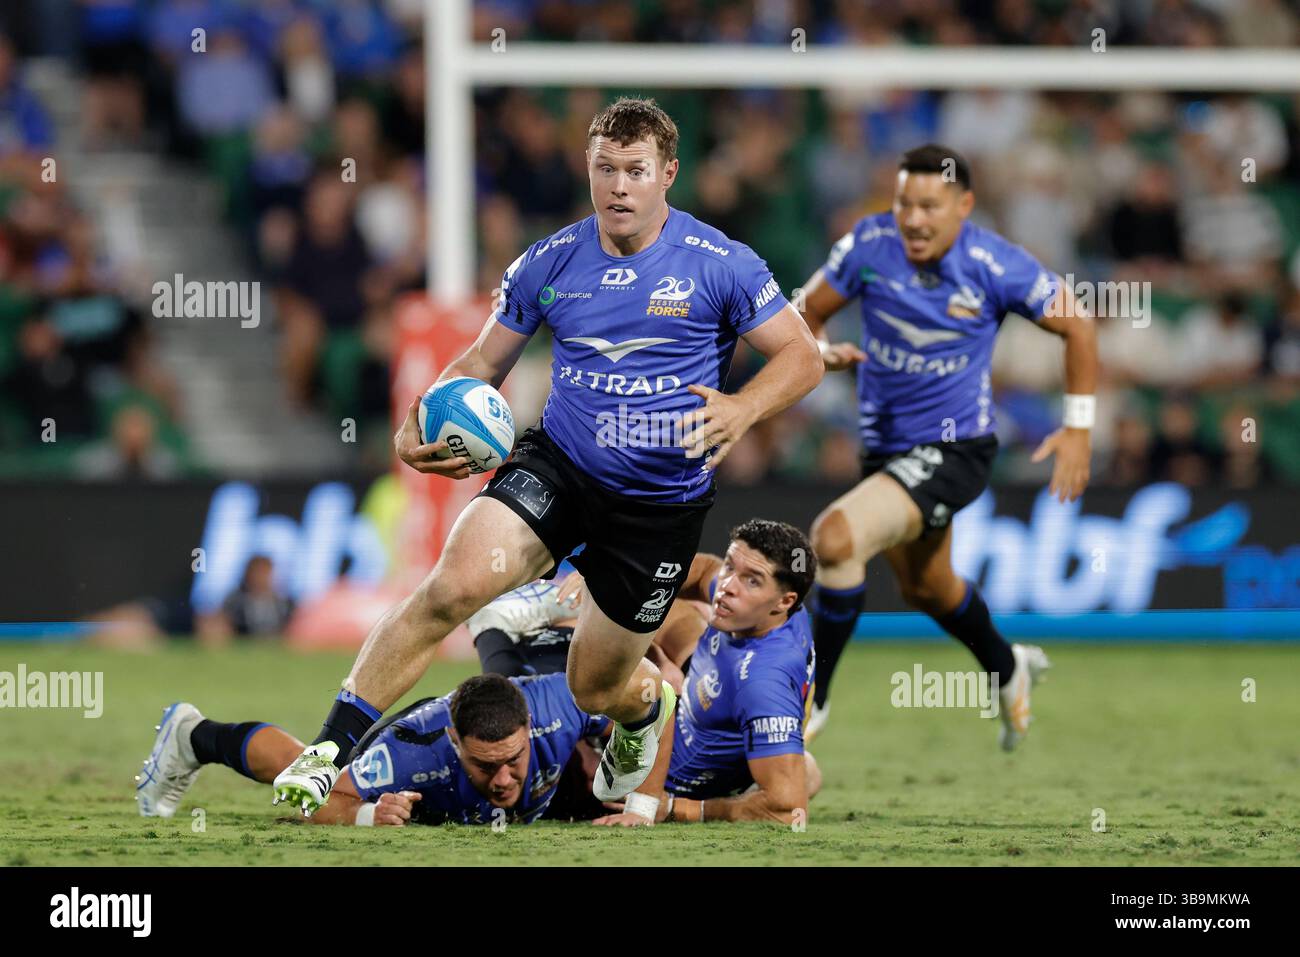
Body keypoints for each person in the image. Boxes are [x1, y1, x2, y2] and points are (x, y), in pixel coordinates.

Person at [271, 96, 822, 815]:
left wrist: (744, 407)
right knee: (449, 590)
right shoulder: (548, 261)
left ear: (668, 175)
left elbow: (803, 358)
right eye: (605, 169)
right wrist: (418, 419)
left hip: (659, 506)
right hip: (559, 466)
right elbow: (478, 361)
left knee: (595, 685)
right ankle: (327, 752)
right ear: (587, 170)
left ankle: (644, 713)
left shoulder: (722, 264)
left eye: (635, 170)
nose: (618, 186)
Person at [799, 144, 1098, 750]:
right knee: (927, 590)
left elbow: (1078, 324)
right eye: (904, 203)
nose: (913, 219)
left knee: (834, 539)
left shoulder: (996, 263)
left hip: (957, 449)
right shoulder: (867, 246)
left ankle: (808, 702)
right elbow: (805, 313)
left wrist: (1078, 429)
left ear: (964, 206)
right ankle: (1008, 667)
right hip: (884, 451)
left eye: (929, 206)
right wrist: (819, 351)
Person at [593, 519, 821, 827]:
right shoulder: (765, 609)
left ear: (784, 601)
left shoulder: (763, 684)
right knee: (641, 599)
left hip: (667, 773)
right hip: (705, 696)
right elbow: (702, 572)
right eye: (730, 567)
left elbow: (786, 809)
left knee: (589, 646)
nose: (727, 587)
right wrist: (632, 581)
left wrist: (678, 808)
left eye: (752, 581)